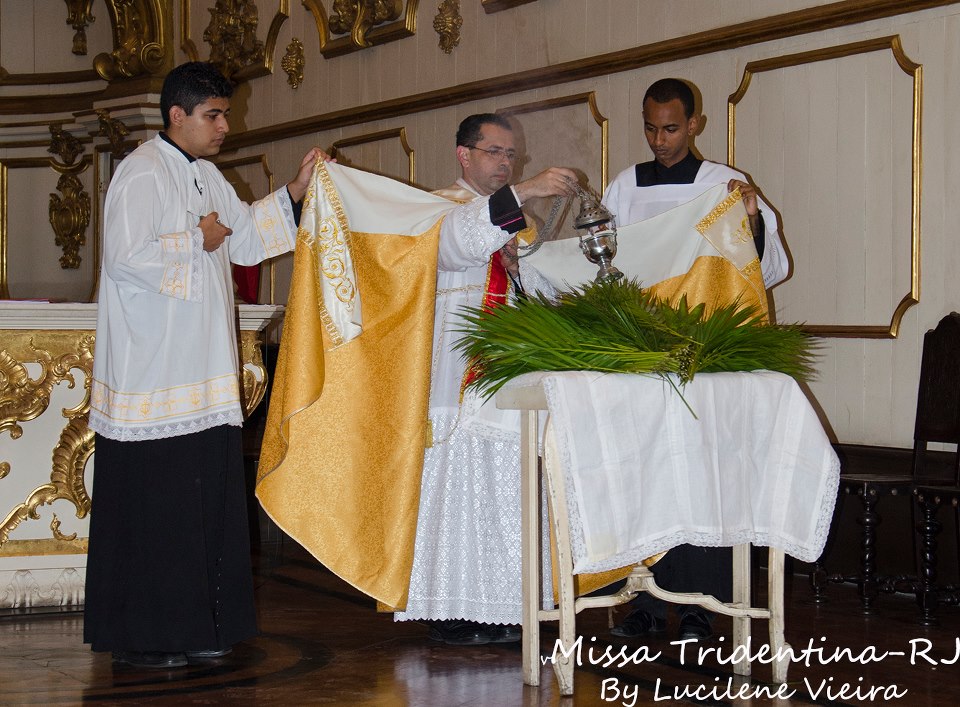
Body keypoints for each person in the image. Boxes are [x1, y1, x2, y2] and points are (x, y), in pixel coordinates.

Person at [83, 61, 330, 670]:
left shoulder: (209, 174)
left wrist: (296, 193)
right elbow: (125, 258)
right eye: (213, 115)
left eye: (224, 113)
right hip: (154, 373)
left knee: (200, 507)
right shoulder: (140, 172)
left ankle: (198, 626)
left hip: (203, 374)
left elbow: (243, 237)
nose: (225, 125)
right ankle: (145, 635)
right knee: (159, 507)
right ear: (177, 115)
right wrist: (198, 238)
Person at [600, 78, 791, 642]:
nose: (660, 140)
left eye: (672, 128)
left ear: (695, 125)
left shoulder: (723, 184)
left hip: (704, 354)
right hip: (640, 352)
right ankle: (644, 604)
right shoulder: (624, 186)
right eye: (651, 128)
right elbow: (604, 261)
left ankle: (707, 605)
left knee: (706, 477)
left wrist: (751, 224)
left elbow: (764, 267)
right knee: (645, 476)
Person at [392, 113, 578, 645]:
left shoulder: (521, 222)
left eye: (511, 155)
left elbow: (544, 295)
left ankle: (508, 608)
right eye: (494, 152)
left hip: (506, 375)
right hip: (454, 377)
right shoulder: (434, 207)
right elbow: (455, 245)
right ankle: (452, 610)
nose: (504, 162)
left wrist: (526, 270)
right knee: (456, 497)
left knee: (507, 493)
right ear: (464, 155)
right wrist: (527, 189)